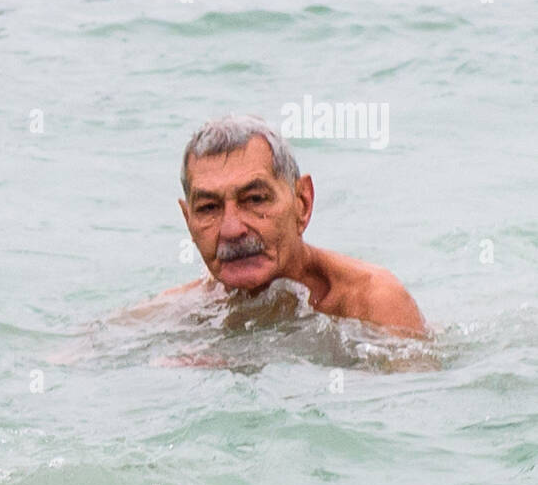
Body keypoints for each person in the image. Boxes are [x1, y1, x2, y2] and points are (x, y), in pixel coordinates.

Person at [142, 113, 428, 337]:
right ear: (188, 220)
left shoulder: (371, 305)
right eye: (208, 208)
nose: (231, 230)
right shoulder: (181, 312)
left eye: (254, 200)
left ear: (302, 203)